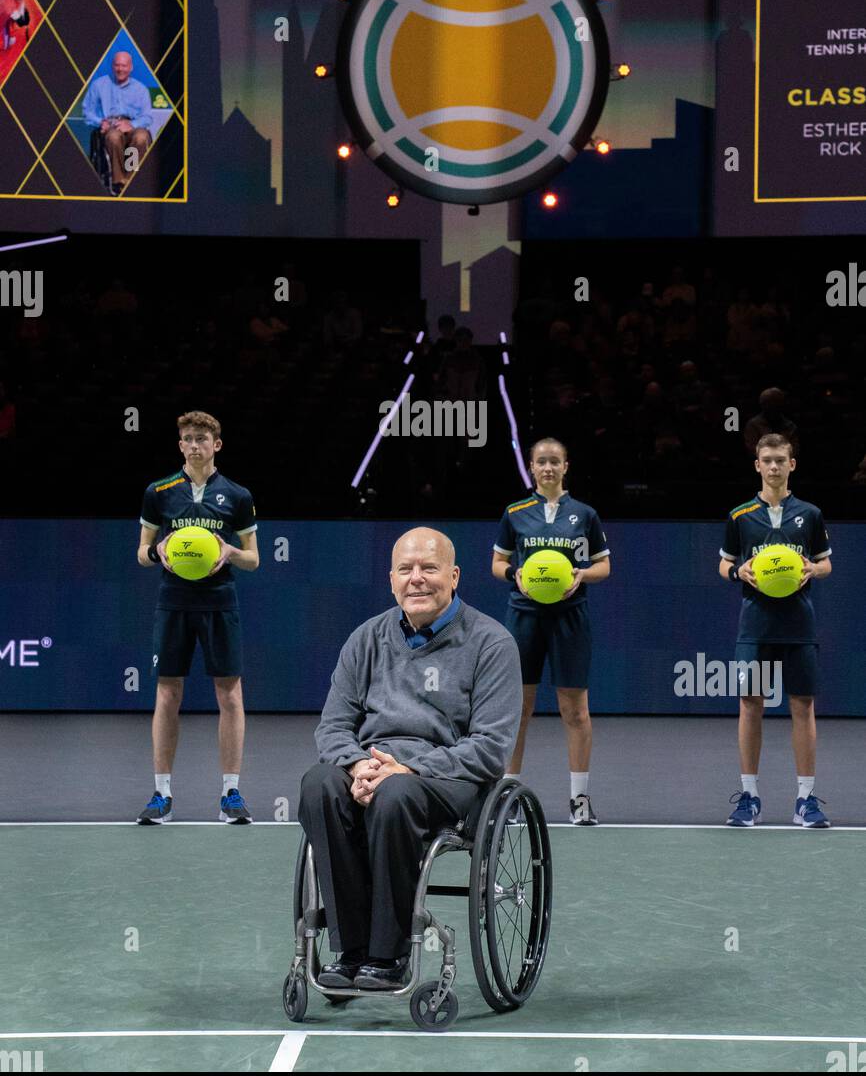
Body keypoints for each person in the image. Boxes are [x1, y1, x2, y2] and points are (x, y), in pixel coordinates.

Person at [299, 528, 522, 990]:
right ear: (392, 580)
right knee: (319, 784)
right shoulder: (366, 639)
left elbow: (491, 748)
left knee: (396, 794)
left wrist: (410, 769)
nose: (417, 579)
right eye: (406, 570)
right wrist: (358, 766)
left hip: (447, 778)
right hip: (373, 770)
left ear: (454, 576)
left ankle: (389, 952)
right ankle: (351, 949)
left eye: (429, 568)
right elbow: (333, 726)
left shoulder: (492, 644)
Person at [136, 411, 259, 825]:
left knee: (230, 695)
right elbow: (142, 553)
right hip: (174, 602)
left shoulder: (237, 495)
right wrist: (159, 551)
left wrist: (230, 552)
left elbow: (254, 559)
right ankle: (161, 795)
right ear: (180, 445)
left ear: (216, 445)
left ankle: (230, 794)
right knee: (168, 694)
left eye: (202, 439)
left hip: (220, 602)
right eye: (187, 439)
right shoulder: (159, 491)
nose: (194, 445)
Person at [491, 437, 611, 824]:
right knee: (517, 709)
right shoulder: (515, 512)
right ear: (531, 468)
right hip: (524, 616)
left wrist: (582, 575)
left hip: (570, 618)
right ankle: (507, 795)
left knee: (574, 709)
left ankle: (579, 799)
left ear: (565, 466)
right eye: (541, 462)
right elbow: (497, 563)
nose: (547, 468)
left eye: (554, 461)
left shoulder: (585, 514)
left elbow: (603, 567)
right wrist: (516, 574)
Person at [719, 434, 832, 828]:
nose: (773, 467)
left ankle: (805, 800)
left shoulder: (810, 514)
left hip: (799, 623)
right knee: (751, 704)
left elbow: (825, 564)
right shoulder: (739, 516)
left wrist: (813, 570)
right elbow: (725, 565)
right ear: (757, 465)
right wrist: (739, 571)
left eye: (780, 460)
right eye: (766, 460)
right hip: (756, 624)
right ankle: (749, 796)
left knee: (803, 707)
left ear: (792, 465)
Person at [83, 51, 153, 195]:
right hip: (110, 124)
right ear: (113, 66)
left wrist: (131, 124)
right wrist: (100, 122)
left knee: (141, 137)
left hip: (133, 124)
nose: (120, 69)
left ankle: (130, 178)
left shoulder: (141, 89)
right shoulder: (99, 85)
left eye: (124, 65)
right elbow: (87, 111)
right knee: (114, 137)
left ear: (131, 67)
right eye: (117, 65)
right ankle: (118, 181)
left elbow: (147, 117)